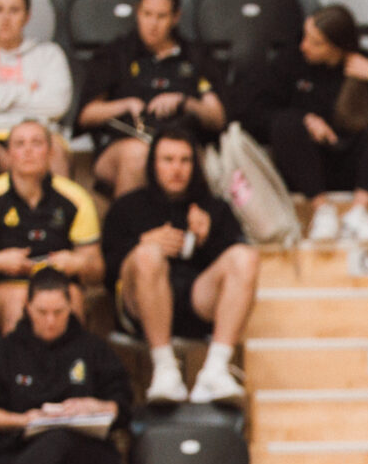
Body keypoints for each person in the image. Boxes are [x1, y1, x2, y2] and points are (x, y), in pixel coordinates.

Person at [236, 3, 368, 245]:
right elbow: (250, 110)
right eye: (305, 36)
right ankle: (322, 211)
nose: (304, 46)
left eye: (315, 42)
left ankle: (359, 212)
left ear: (337, 47)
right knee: (286, 122)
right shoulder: (292, 61)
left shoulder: (362, 61)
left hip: (353, 164)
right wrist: (304, 120)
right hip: (306, 167)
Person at [101, 129, 259, 404]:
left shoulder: (214, 208)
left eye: (185, 160)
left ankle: (215, 370)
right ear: (153, 164)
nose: (177, 169)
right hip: (140, 305)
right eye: (168, 160)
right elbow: (107, 271)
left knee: (246, 257)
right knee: (148, 255)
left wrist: (207, 239)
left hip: (197, 300)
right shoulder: (128, 207)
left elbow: (235, 271)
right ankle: (164, 370)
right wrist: (141, 243)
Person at [0, 268, 131, 464]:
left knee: (58, 439)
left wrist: (94, 406)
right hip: (16, 451)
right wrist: (27, 419)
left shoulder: (93, 349)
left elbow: (123, 407)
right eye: (41, 312)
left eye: (59, 312)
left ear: (72, 308)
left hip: (86, 456)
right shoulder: (4, 353)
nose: (50, 321)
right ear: (27, 308)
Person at [75, 0, 225, 197]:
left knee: (180, 158)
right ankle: (129, 230)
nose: (152, 24)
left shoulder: (195, 55)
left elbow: (216, 117)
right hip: (126, 143)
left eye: (161, 16)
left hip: (182, 143)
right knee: (139, 154)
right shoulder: (117, 53)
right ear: (137, 13)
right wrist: (126, 104)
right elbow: (86, 115)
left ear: (176, 17)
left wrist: (184, 102)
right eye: (147, 14)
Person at [0, 120, 102, 334]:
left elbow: (97, 271)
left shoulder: (75, 198)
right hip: (2, 289)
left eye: (36, 143)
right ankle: (18, 368)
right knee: (19, 301)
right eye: (20, 144)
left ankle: (73, 366)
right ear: (8, 155)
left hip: (58, 287)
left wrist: (78, 263)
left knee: (68, 299)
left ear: (50, 152)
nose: (28, 150)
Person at [0, 0, 71, 178]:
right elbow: (44, 104)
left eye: (14, 10)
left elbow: (56, 105)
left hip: (39, 138)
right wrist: (25, 91)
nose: (5, 19)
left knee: (55, 152)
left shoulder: (50, 54)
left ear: (27, 16)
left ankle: (60, 211)